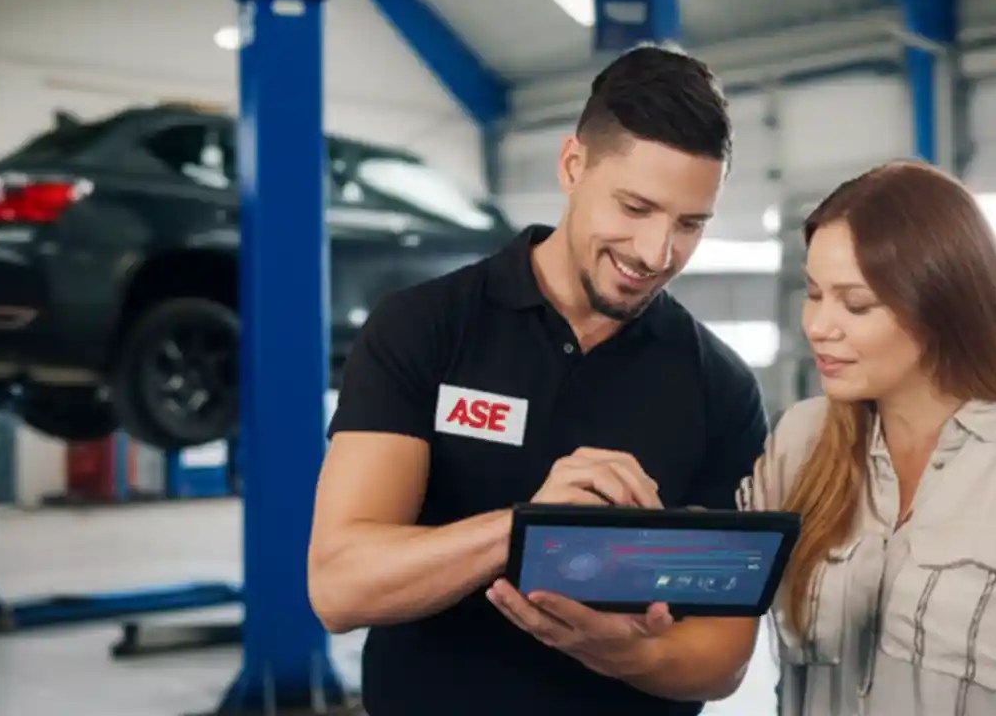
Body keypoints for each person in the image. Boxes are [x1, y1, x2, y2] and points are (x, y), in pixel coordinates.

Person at [307, 45, 769, 715]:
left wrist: (629, 654)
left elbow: (725, 656)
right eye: (635, 207)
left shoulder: (719, 385)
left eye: (690, 224)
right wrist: (529, 530)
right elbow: (339, 587)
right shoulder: (426, 328)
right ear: (573, 165)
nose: (656, 252)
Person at [735, 160, 996, 716]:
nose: (819, 326)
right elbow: (713, 588)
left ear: (939, 303)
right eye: (814, 293)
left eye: (856, 304)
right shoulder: (801, 439)